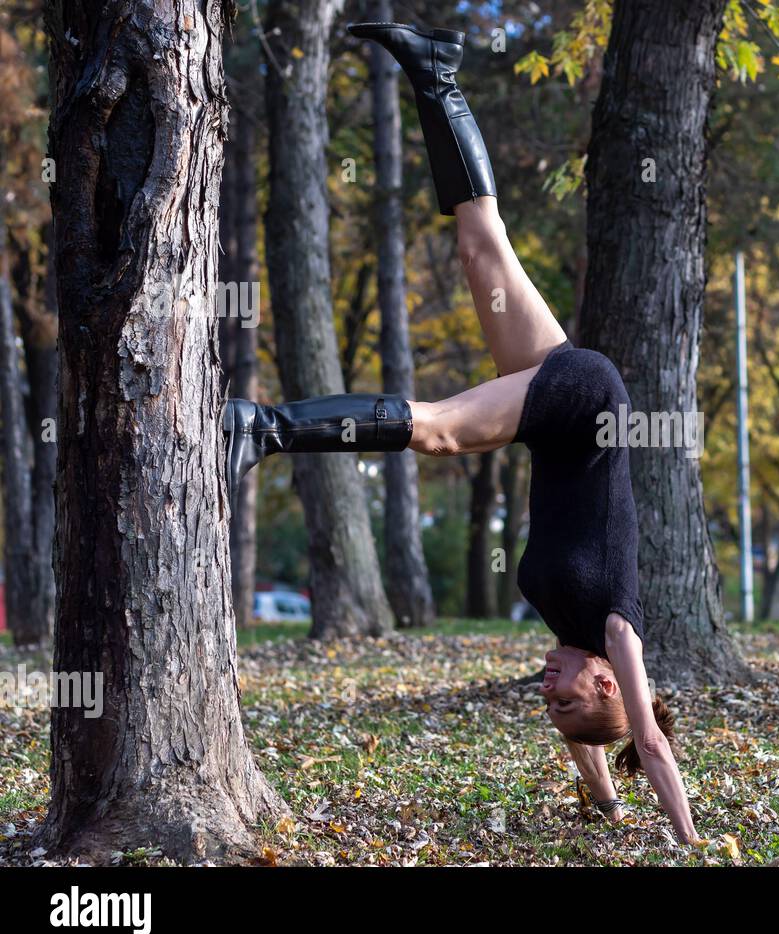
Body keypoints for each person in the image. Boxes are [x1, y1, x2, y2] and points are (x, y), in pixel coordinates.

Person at [223, 22, 701, 845]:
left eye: (547, 700)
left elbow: (595, 747)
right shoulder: (619, 628)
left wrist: (606, 806)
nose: (545, 687)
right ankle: (261, 428)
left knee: (483, 247)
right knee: (439, 433)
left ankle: (435, 68)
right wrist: (688, 842)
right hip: (584, 403)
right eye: (565, 693)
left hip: (563, 411)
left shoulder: (568, 637)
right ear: (608, 683)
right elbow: (649, 742)